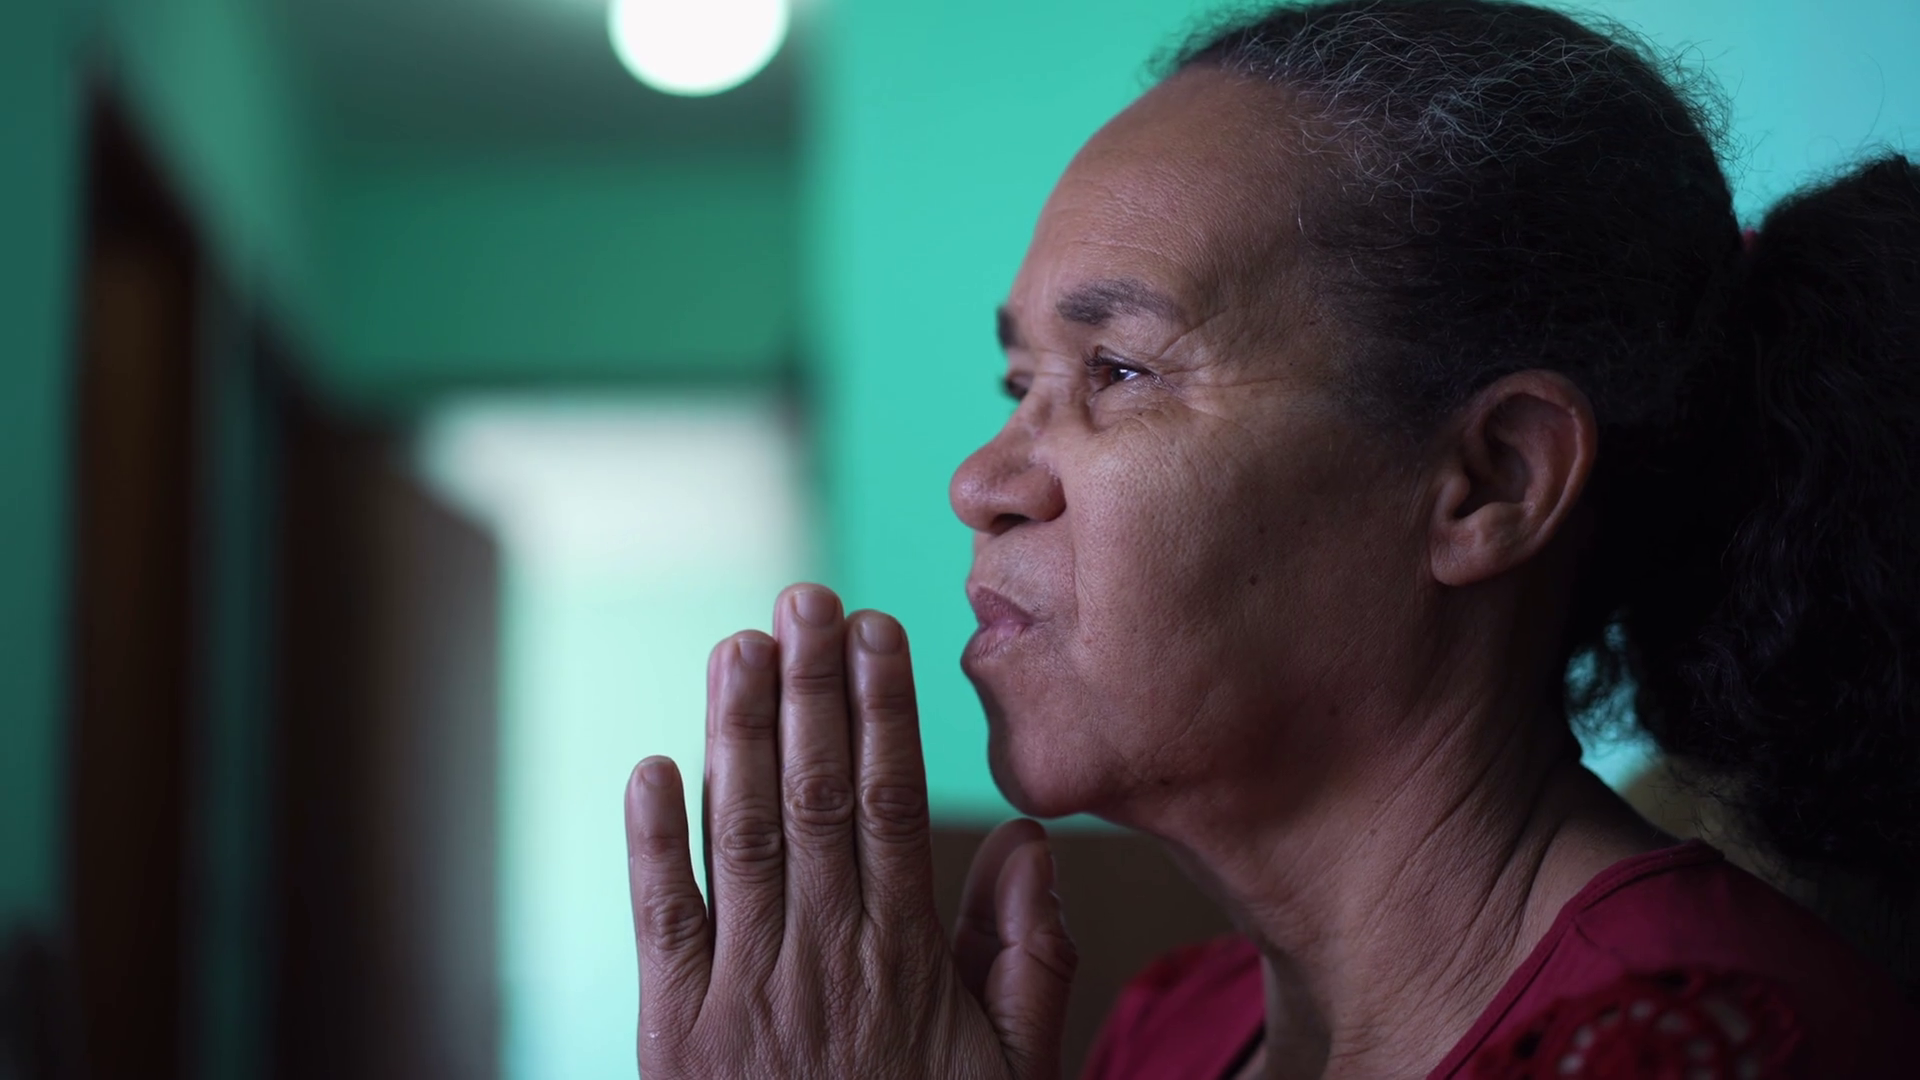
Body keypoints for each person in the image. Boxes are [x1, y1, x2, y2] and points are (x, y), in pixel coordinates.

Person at [621, 1, 1920, 1076]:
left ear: (1490, 480)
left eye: (1118, 370)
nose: (982, 483)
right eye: (1021, 386)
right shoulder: (1171, 1030)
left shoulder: (1712, 1040)